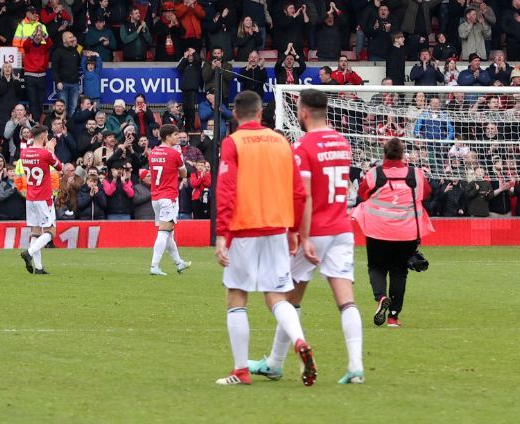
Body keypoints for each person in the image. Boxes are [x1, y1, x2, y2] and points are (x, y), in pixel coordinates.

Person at [252, 88, 364, 385]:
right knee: (346, 301)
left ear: (302, 112)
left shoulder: (303, 147)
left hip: (315, 231)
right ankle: (355, 366)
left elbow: (305, 196)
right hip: (342, 227)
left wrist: (301, 237)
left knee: (282, 296)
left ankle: (276, 363)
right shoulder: (342, 142)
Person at [213, 90, 313, 387]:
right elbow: (298, 191)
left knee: (237, 295)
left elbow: (226, 189)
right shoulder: (281, 141)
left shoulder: (233, 143)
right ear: (260, 114)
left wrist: (222, 235)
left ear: (235, 115)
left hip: (244, 228)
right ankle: (299, 341)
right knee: (277, 295)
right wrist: (294, 230)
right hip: (276, 228)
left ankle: (241, 370)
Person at [352, 136, 430, 329]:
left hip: (378, 230)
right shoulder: (415, 174)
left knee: (376, 267)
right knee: (399, 272)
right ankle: (393, 318)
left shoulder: (374, 173)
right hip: (406, 231)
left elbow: (362, 193)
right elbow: (427, 193)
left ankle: (381, 297)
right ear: (403, 154)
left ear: (384, 153)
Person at [144, 124, 192, 277]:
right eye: (175, 134)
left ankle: (178, 263)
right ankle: (154, 266)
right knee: (164, 232)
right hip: (168, 196)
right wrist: (181, 160)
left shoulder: (152, 153)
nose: (178, 137)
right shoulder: (174, 153)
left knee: (169, 232)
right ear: (167, 137)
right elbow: (184, 174)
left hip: (156, 197)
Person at [15, 126, 60, 275]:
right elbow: (59, 166)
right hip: (44, 197)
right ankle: (29, 252)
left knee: (35, 232)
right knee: (50, 231)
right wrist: (51, 150)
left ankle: (39, 268)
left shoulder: (24, 153)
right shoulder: (45, 153)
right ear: (43, 136)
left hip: (30, 197)